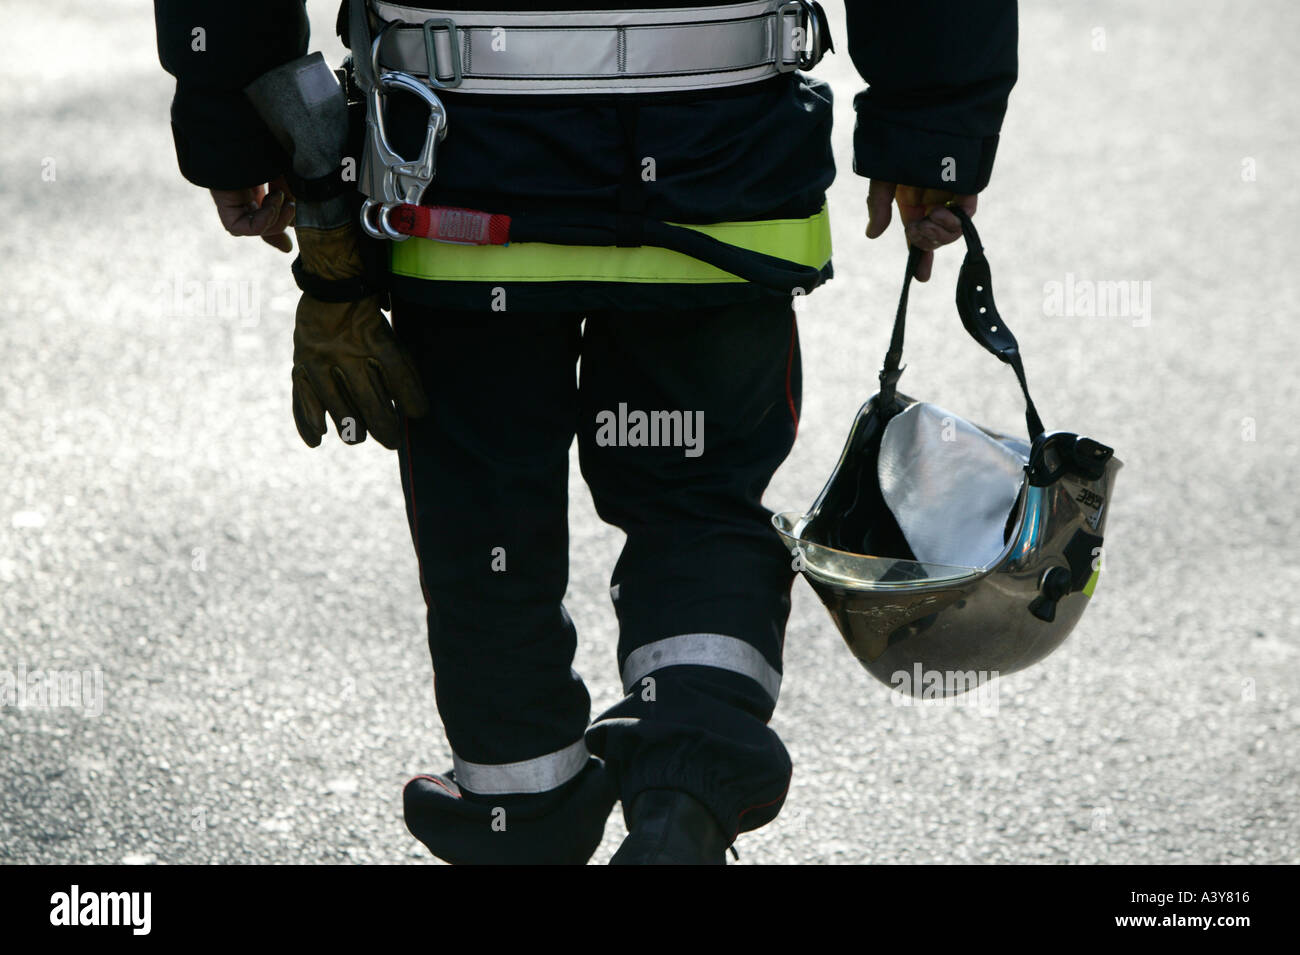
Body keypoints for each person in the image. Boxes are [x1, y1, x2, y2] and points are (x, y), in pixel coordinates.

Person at [154, 0, 1018, 864]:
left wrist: (238, 117)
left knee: (486, 523)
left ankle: (520, 818)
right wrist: (935, 128)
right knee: (697, 503)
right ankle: (684, 798)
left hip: (460, 172)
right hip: (719, 167)